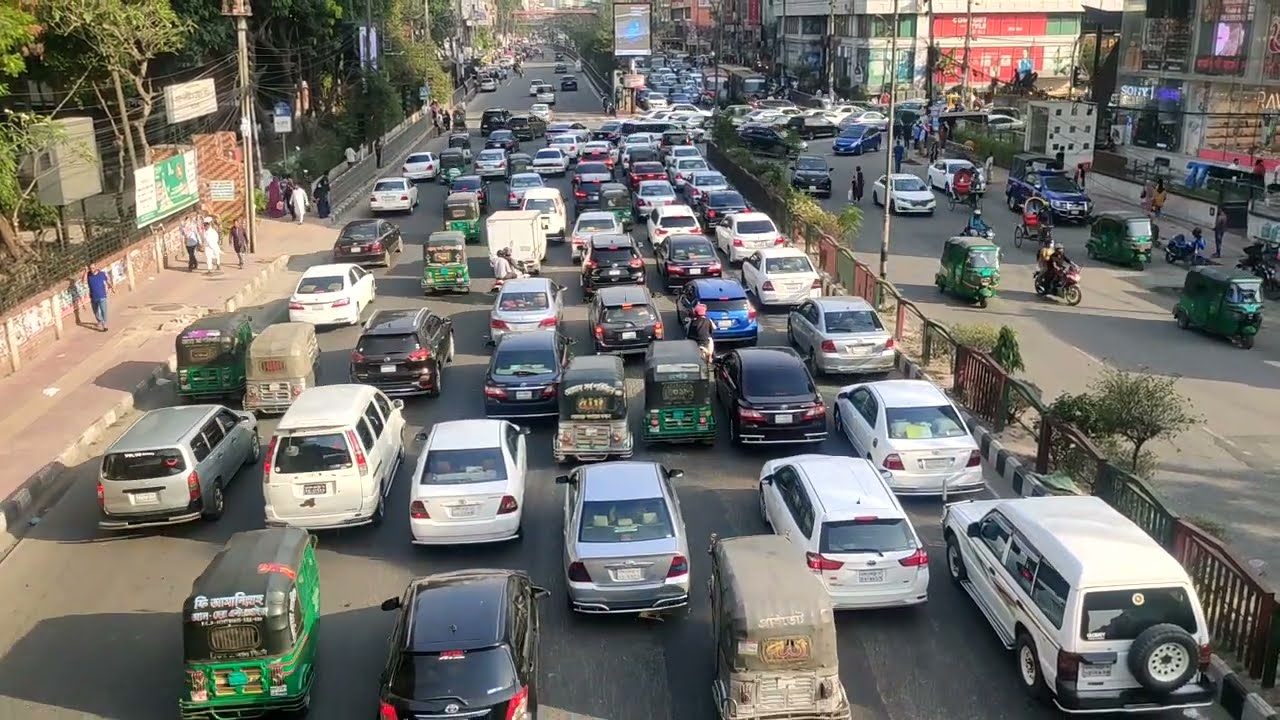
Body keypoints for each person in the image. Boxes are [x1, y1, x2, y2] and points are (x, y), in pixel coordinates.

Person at [86, 262, 113, 332]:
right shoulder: (88, 274)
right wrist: (85, 272)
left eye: (93, 268)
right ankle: (100, 320)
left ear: (95, 268)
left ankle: (105, 324)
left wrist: (111, 287)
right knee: (95, 312)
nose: (91, 270)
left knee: (104, 310)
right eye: (90, 268)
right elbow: (83, 281)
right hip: (93, 297)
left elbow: (107, 281)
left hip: (102, 296)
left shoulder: (101, 274)